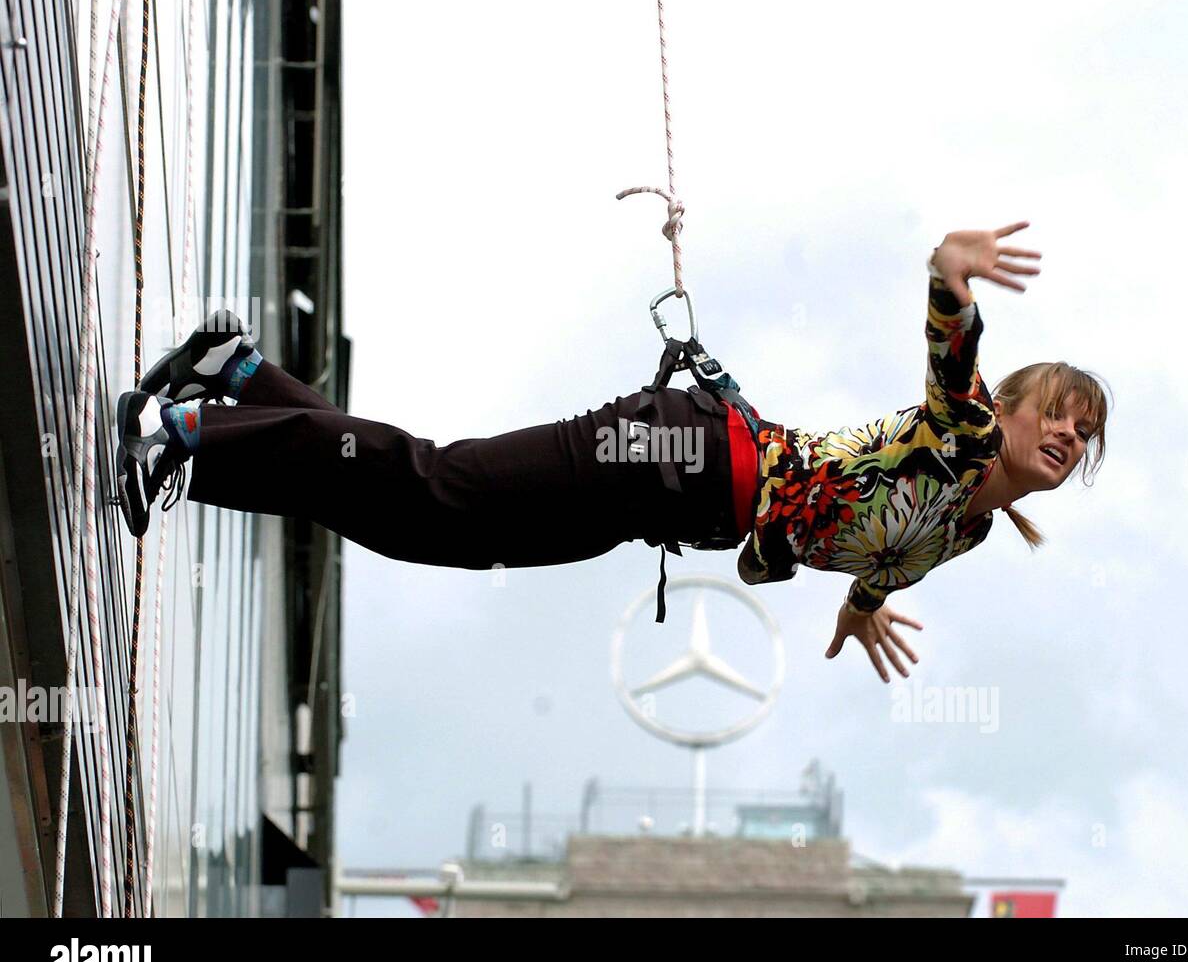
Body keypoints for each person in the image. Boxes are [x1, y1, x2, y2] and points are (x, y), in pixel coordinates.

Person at [114, 220, 1109, 681]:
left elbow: (888, 540)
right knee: (434, 482)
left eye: (1083, 435)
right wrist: (949, 267)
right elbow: (951, 341)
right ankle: (182, 429)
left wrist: (864, 609)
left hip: (665, 512)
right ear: (1015, 407)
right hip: (674, 452)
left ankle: (233, 375)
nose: (1067, 437)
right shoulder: (965, 423)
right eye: (1059, 414)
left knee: (429, 533)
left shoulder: (970, 532)